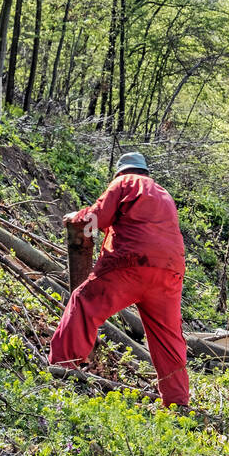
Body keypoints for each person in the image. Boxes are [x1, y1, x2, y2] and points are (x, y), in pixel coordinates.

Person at [49, 152, 189, 407]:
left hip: (130, 263)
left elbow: (97, 219)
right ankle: (177, 402)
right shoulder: (163, 194)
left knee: (83, 301)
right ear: (146, 171)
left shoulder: (125, 183)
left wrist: (75, 219)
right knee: (166, 337)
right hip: (170, 270)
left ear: (120, 172)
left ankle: (62, 368)